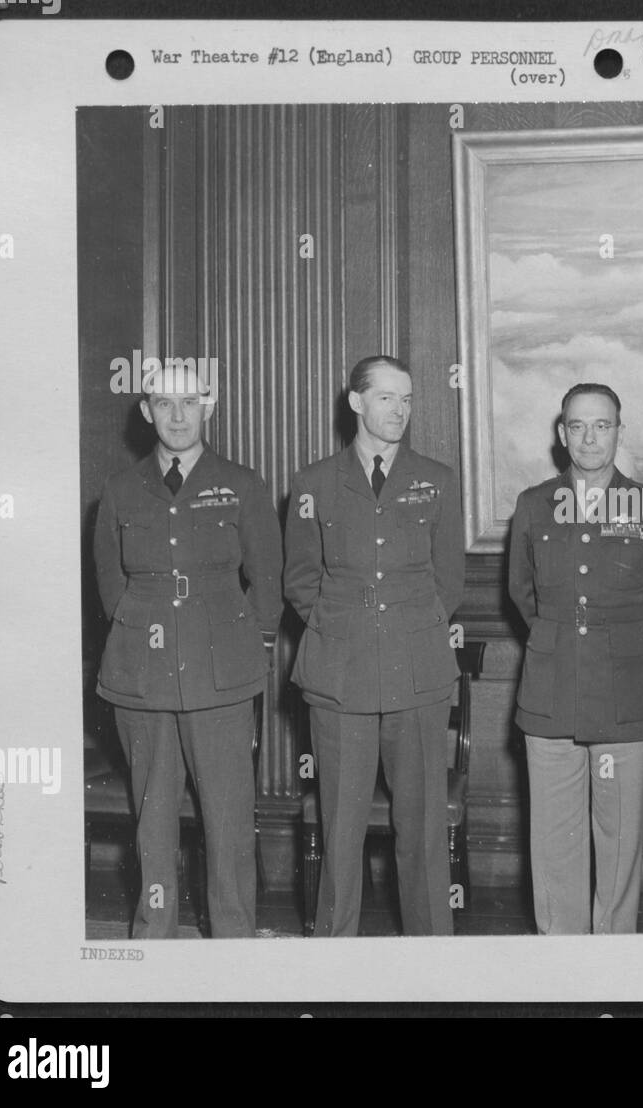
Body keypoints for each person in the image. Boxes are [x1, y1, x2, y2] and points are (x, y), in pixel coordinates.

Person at [94, 369, 282, 939]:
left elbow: (267, 579)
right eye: (164, 402)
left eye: (190, 402)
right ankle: (153, 941)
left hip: (220, 673)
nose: (178, 415)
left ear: (210, 407)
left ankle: (232, 943)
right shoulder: (121, 490)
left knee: (226, 818)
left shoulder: (243, 484)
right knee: (152, 816)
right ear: (147, 411)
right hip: (142, 674)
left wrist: (252, 647)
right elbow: (109, 584)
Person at [284, 355, 464, 937]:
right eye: (386, 398)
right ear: (356, 403)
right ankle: (336, 962)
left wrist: (406, 630)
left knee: (422, 829)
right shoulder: (313, 483)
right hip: (341, 676)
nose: (399, 410)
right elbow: (300, 581)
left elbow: (449, 580)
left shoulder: (435, 478)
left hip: (418, 675)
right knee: (341, 829)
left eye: (407, 399)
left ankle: (433, 960)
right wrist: (347, 631)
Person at [509, 384, 643, 934]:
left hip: (628, 696)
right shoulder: (535, 504)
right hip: (552, 691)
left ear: (619, 432)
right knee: (555, 841)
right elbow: (523, 596)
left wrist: (622, 651)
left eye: (601, 425)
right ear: (562, 435)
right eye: (577, 426)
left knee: (618, 841)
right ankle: (561, 972)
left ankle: (614, 970)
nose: (589, 437)